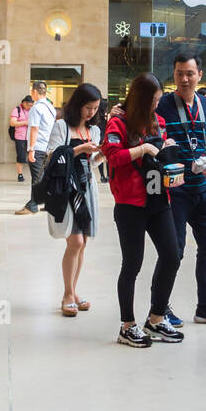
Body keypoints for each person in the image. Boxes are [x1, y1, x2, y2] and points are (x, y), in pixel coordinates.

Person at [101, 72, 185, 347]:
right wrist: (144, 149)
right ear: (140, 99)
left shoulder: (158, 121)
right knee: (132, 264)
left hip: (159, 200)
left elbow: (161, 149)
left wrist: (166, 147)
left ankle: (156, 319)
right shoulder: (118, 122)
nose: (156, 107)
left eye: (159, 101)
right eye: (152, 101)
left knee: (172, 257)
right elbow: (112, 157)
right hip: (130, 204)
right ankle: (127, 326)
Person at [156, 53, 206, 325]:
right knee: (173, 251)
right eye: (179, 73)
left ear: (200, 74)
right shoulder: (163, 104)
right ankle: (160, 308)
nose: (184, 78)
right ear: (174, 75)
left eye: (189, 73)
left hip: (202, 189)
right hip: (174, 191)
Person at [44, 83, 102, 317]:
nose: (91, 113)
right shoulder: (62, 126)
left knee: (83, 242)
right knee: (75, 242)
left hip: (87, 187)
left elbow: (92, 163)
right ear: (78, 104)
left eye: (96, 108)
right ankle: (67, 294)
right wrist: (79, 150)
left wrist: (100, 155)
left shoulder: (94, 131)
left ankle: (74, 291)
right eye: (88, 107)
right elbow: (52, 156)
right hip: (67, 189)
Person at [17, 81, 56, 215]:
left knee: (37, 178)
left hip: (38, 147)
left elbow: (34, 128)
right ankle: (49, 203)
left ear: (34, 91)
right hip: (48, 146)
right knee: (43, 176)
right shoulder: (51, 107)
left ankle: (32, 205)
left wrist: (31, 149)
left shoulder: (36, 108)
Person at [10, 95, 32, 182]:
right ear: (24, 103)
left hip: (31, 136)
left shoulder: (32, 110)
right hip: (20, 137)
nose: (30, 107)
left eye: (31, 105)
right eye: (28, 105)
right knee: (21, 157)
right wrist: (24, 123)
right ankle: (20, 174)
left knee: (32, 156)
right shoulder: (17, 110)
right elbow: (12, 123)